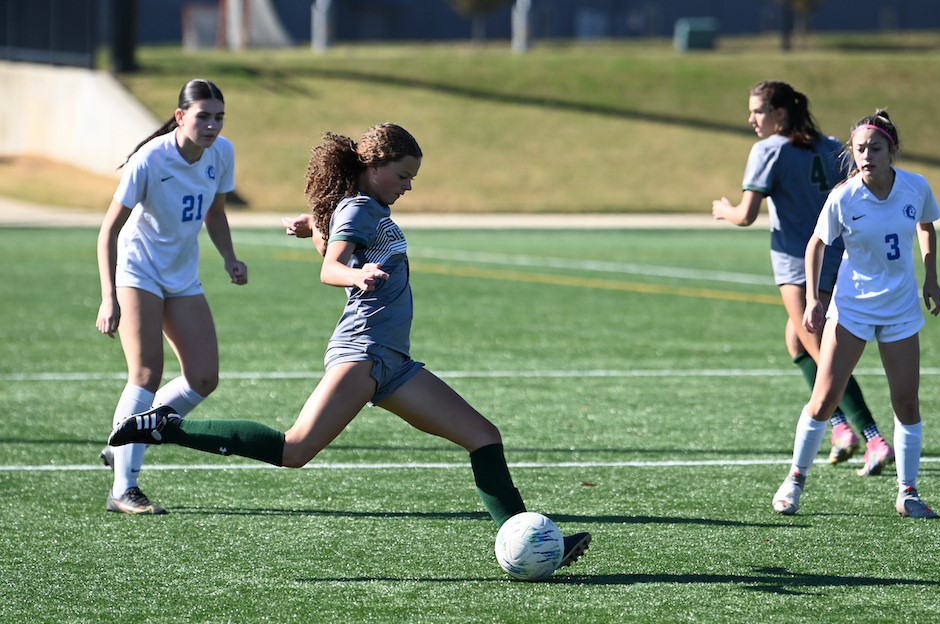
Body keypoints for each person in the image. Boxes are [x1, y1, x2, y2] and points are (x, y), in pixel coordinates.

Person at [106, 123, 592, 569]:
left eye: (413, 178)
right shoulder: (361, 208)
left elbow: (337, 237)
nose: (408, 186)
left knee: (483, 436)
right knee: (294, 449)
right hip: (362, 351)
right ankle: (166, 428)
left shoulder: (362, 207)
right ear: (373, 167)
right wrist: (355, 273)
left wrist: (314, 227)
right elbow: (331, 266)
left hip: (393, 362)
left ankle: (529, 542)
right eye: (402, 175)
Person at [712, 80, 893, 475]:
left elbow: (745, 215)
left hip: (797, 266)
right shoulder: (828, 145)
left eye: (757, 111)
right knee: (796, 338)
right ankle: (841, 428)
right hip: (836, 259)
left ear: (779, 113)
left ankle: (873, 437)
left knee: (823, 354)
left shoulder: (768, 150)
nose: (751, 119)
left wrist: (722, 209)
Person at [771, 110, 940, 518]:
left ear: (893, 151)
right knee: (825, 398)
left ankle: (908, 492)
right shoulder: (844, 196)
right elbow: (816, 245)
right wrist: (814, 298)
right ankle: (794, 479)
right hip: (852, 308)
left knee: (906, 402)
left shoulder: (915, 187)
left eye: (876, 148)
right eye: (860, 149)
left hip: (900, 307)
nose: (867, 155)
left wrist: (931, 278)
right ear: (852, 152)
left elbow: (927, 226)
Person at [95, 79, 248, 514]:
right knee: (146, 373)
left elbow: (215, 213)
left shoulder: (222, 153)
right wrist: (109, 297)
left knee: (203, 377)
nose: (213, 125)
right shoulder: (150, 159)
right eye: (204, 116)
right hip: (138, 270)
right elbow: (110, 230)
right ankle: (123, 490)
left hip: (182, 275)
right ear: (180, 116)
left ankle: (127, 438)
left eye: (219, 116)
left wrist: (230, 259)